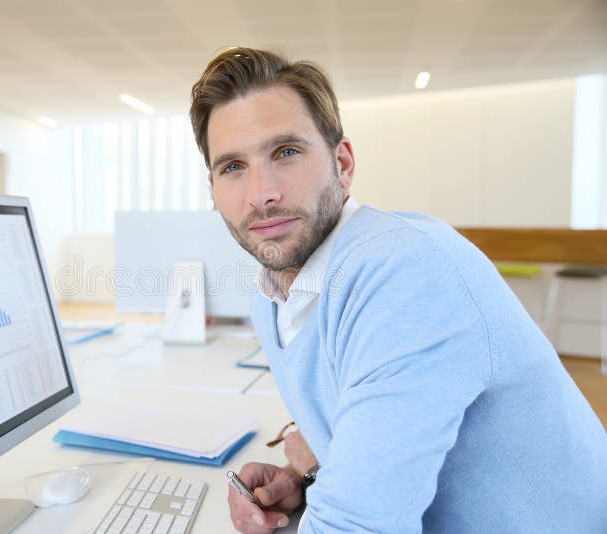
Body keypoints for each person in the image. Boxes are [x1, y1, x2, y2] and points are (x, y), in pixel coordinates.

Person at [189, 47, 607, 533]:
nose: (261, 192)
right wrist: (307, 479)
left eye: (286, 152)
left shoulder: (408, 271)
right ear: (214, 189)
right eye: (233, 166)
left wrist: (339, 496)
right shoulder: (272, 295)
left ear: (342, 164)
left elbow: (360, 526)